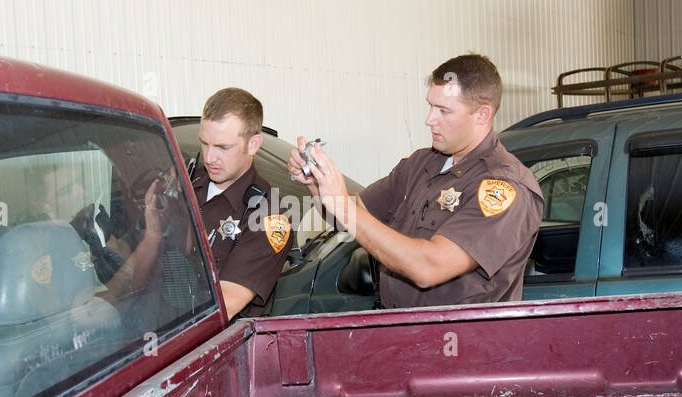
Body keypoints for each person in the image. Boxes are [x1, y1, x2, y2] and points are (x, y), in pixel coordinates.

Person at [287, 54, 543, 308]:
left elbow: (428, 268)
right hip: (401, 329)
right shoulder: (421, 164)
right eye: (430, 106)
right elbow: (349, 219)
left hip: (462, 340)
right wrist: (316, 182)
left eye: (444, 111)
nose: (429, 119)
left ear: (482, 114)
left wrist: (342, 205)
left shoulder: (504, 186)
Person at [190, 88, 295, 318]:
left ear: (253, 144)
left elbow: (223, 306)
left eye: (223, 148)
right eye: (204, 143)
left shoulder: (271, 216)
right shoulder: (184, 183)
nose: (209, 157)